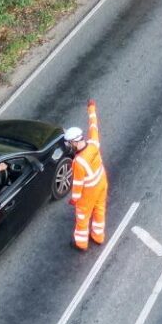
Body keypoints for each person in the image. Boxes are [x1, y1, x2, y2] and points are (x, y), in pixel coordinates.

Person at [65, 101, 108, 251]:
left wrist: (75, 199)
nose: (69, 146)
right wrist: (91, 109)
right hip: (101, 182)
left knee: (82, 217)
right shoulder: (94, 143)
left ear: (75, 143)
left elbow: (77, 184)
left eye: (69, 143)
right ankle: (98, 236)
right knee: (99, 210)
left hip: (88, 191)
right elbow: (93, 126)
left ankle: (81, 243)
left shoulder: (78, 162)